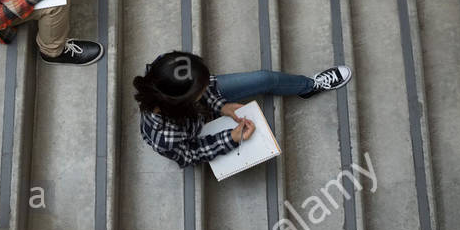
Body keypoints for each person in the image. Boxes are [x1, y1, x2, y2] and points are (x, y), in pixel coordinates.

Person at [133, 51, 352, 168]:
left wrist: (221, 105)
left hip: (196, 112)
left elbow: (205, 87)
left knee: (266, 78)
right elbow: (190, 155)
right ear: (185, 101)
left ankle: (309, 86)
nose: (207, 85)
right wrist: (231, 138)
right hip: (195, 131)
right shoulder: (165, 137)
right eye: (201, 89)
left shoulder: (166, 67)